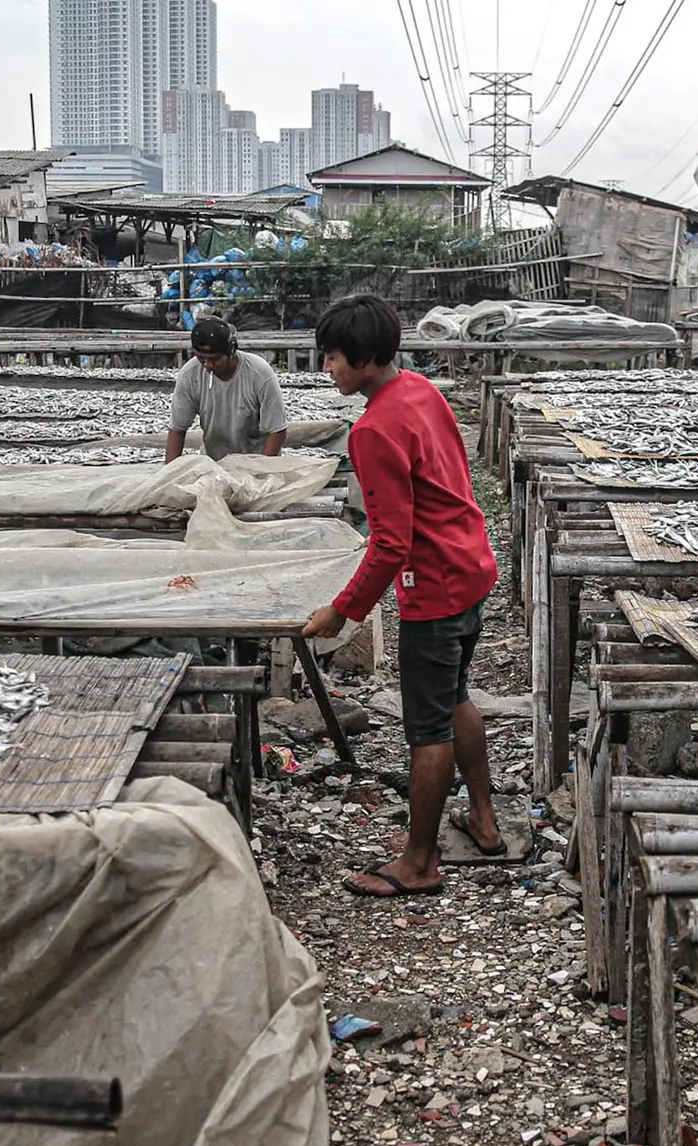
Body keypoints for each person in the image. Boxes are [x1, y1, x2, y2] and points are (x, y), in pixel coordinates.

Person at [303, 293, 502, 899]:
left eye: (333, 357)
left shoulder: (372, 429)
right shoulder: (421, 389)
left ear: (364, 358)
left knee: (427, 728)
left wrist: (342, 609)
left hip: (435, 589)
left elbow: (390, 543)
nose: (327, 369)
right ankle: (485, 822)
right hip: (471, 566)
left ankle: (418, 862)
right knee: (455, 695)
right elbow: (456, 479)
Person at [165, 316, 288, 462]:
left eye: (214, 359)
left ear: (231, 351)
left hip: (256, 460)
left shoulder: (259, 373)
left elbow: (277, 430)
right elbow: (177, 429)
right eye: (201, 358)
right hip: (213, 462)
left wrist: (263, 469)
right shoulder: (189, 375)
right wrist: (170, 471)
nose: (207, 365)